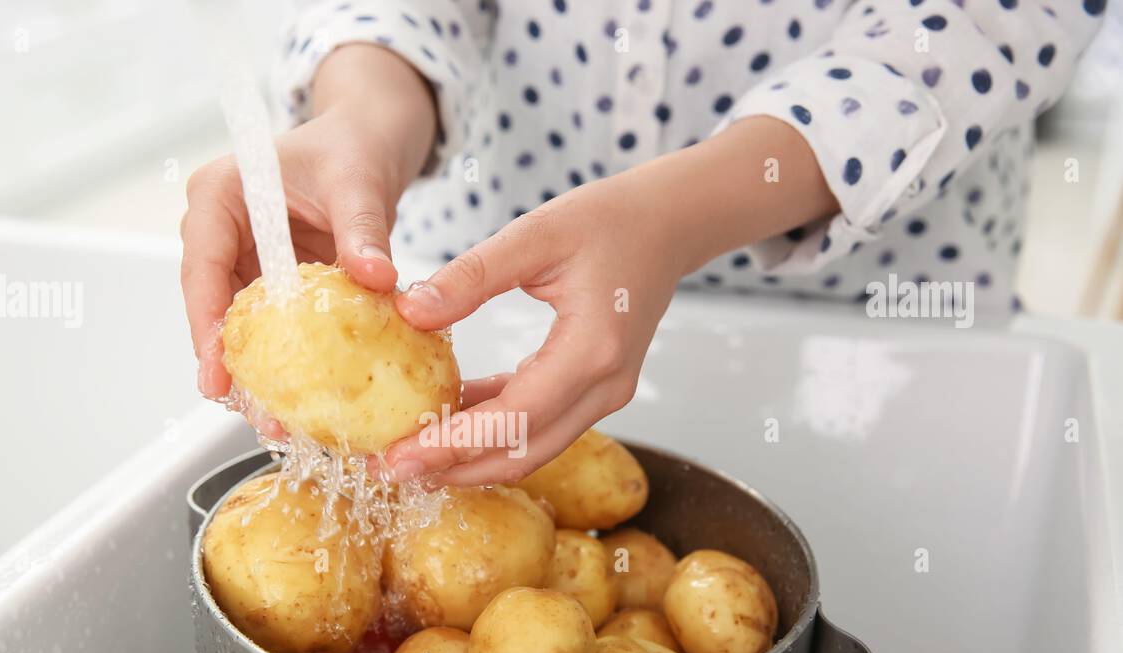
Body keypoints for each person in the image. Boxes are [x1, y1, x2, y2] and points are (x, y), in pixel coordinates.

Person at [181, 0, 1106, 486]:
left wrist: (672, 219)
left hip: (878, 323)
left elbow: (986, 19)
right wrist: (367, 121)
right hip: (496, 301)